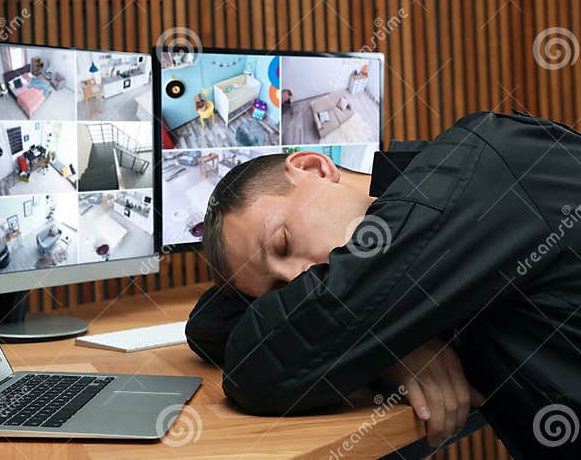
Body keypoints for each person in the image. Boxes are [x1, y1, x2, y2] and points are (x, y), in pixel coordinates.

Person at [185, 111, 581, 458]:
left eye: (283, 243)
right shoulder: (409, 231)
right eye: (276, 288)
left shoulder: (474, 170)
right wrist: (391, 347)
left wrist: (369, 336)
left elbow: (257, 373)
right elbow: (207, 325)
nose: (299, 279)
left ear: (314, 168)